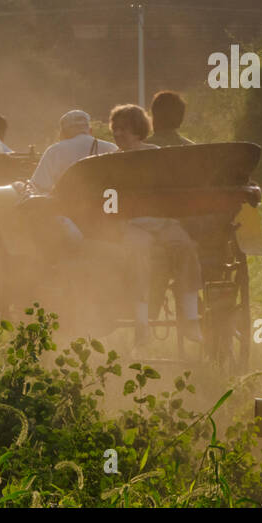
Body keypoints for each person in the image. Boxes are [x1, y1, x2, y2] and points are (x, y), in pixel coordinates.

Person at [108, 104, 203, 343]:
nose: (118, 134)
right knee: (139, 255)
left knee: (186, 249)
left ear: (139, 130)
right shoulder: (108, 162)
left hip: (163, 222)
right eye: (115, 129)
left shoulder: (156, 155)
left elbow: (172, 189)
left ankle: (191, 320)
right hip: (131, 224)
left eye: (124, 129)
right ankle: (142, 325)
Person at [30, 109, 117, 194]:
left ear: (63, 132)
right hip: (105, 205)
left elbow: (39, 186)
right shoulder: (112, 148)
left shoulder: (54, 151)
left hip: (66, 206)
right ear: (90, 130)